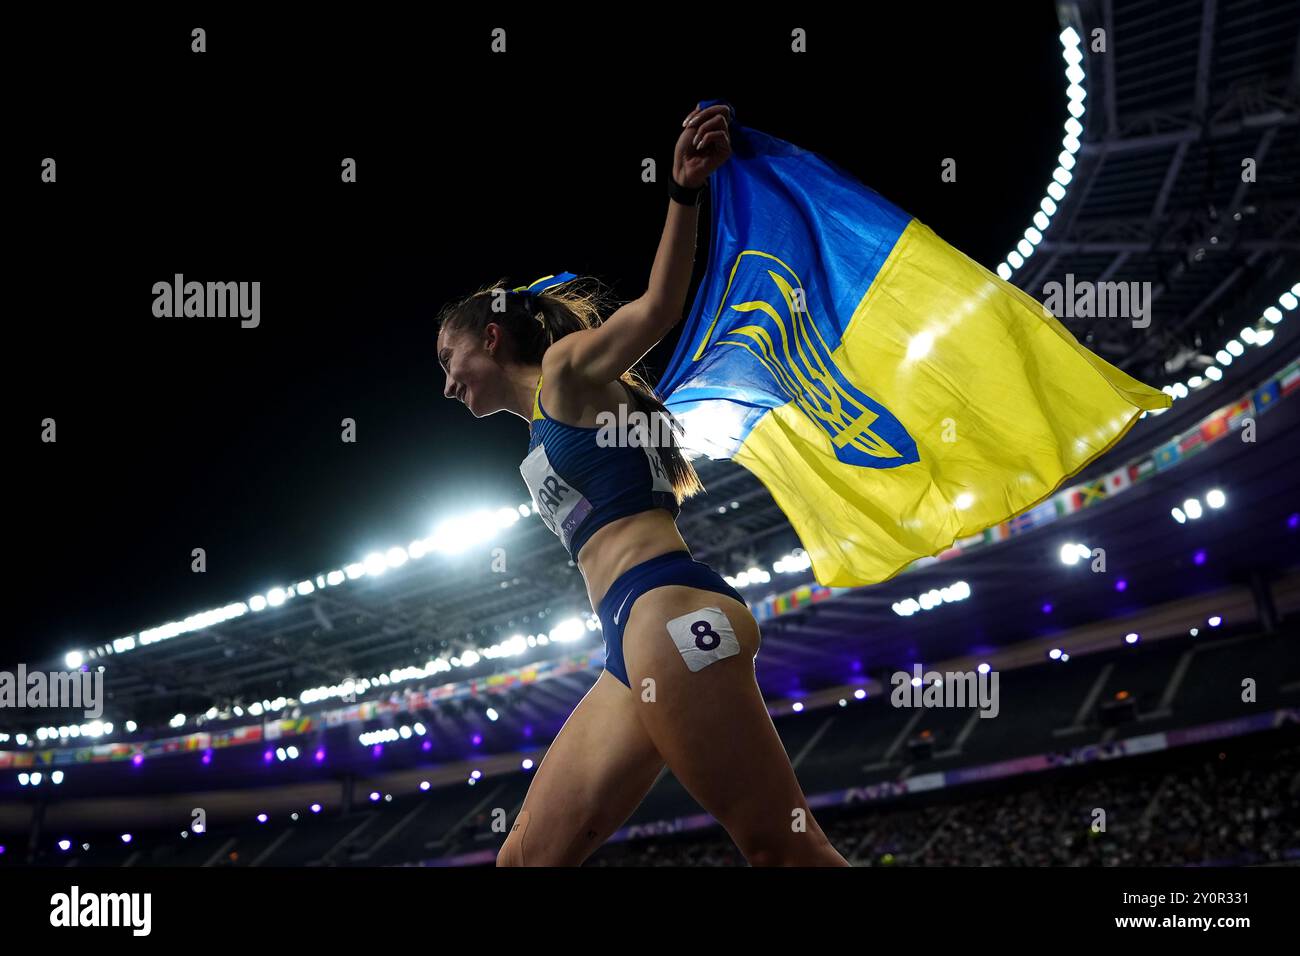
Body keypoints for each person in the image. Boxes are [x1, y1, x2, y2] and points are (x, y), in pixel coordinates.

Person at [435, 102, 848, 867]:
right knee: (522, 862)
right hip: (628, 639)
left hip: (671, 614)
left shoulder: (567, 374)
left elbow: (658, 306)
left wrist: (683, 191)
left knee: (784, 848)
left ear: (490, 337)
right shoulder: (548, 422)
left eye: (447, 359)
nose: (446, 382)